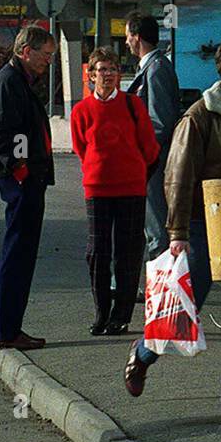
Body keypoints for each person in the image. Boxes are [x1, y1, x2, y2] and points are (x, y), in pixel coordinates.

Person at [124, 37, 221, 404]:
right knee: (187, 302)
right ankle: (142, 354)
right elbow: (178, 175)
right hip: (202, 221)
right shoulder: (198, 117)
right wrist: (177, 232)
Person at [70, 47, 159, 336]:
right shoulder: (81, 111)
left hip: (131, 188)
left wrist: (134, 172)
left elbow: (149, 148)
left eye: (112, 69)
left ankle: (121, 316)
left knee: (128, 252)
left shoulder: (133, 105)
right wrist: (98, 169)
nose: (107, 75)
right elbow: (80, 148)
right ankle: (101, 313)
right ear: (91, 74)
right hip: (97, 189)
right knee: (98, 252)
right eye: (101, 69)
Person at [0, 25, 56, 351]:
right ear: (26, 51)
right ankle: (7, 329)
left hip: (26, 180)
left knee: (21, 255)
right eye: (45, 55)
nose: (48, 62)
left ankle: (10, 327)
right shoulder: (10, 83)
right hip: (22, 182)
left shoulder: (17, 81)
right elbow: (5, 134)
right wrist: (21, 171)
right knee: (17, 255)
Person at [125, 13, 179, 262]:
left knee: (157, 226)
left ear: (137, 37)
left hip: (152, 161)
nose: (126, 42)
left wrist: (140, 153)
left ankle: (161, 288)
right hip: (150, 160)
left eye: (127, 36)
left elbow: (160, 120)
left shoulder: (156, 69)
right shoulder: (153, 66)